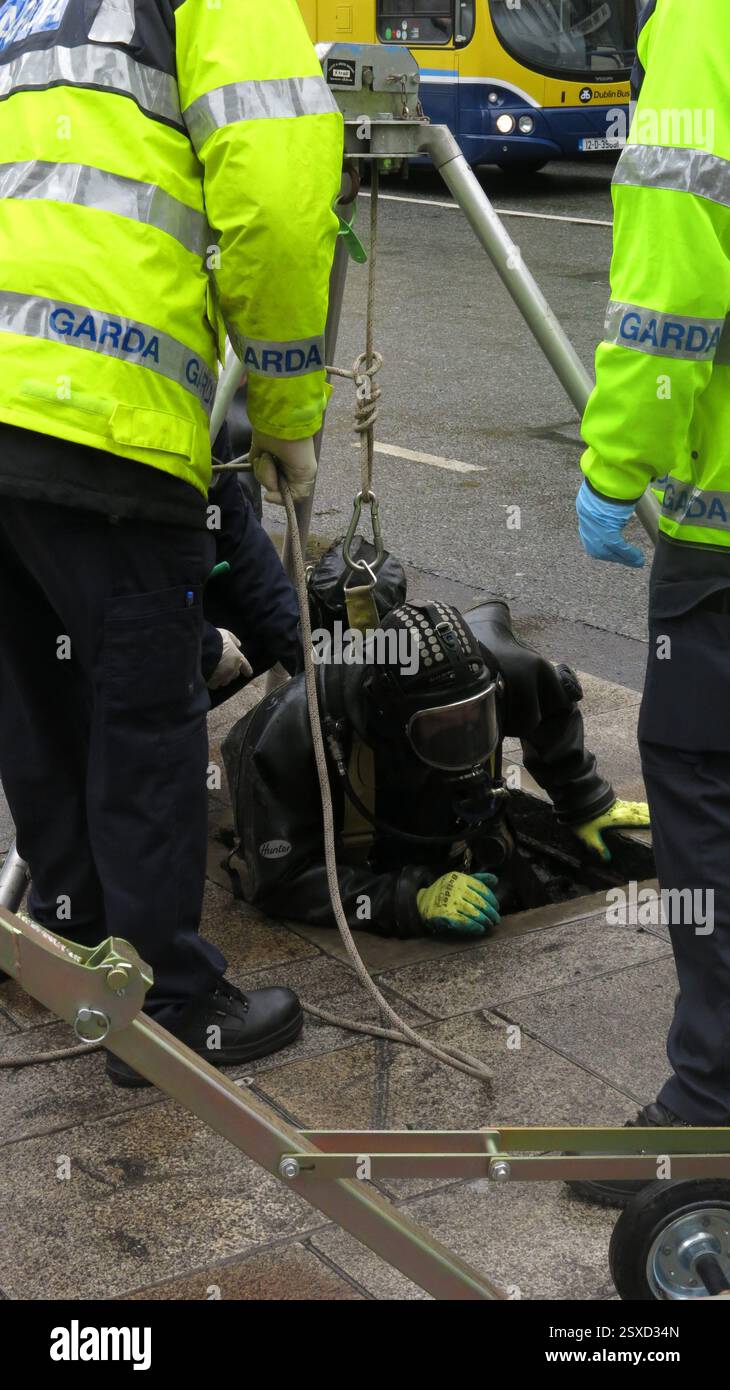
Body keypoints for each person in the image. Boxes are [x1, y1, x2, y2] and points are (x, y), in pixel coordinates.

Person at [0, 0, 343, 1087]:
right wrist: (287, 413)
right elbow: (282, 212)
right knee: (144, 721)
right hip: (110, 420)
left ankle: (75, 959)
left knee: (36, 708)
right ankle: (168, 1012)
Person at [575, 0, 730, 1201]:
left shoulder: (702, 23)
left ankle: (708, 1103)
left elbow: (672, 284)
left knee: (698, 791)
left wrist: (613, 468)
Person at [222, 597, 650, 937]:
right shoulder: (287, 734)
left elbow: (553, 706)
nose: (464, 742)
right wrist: (408, 899)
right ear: (391, 717)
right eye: (442, 729)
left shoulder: (502, 670)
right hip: (365, 861)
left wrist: (584, 798)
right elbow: (279, 880)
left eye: (475, 720)